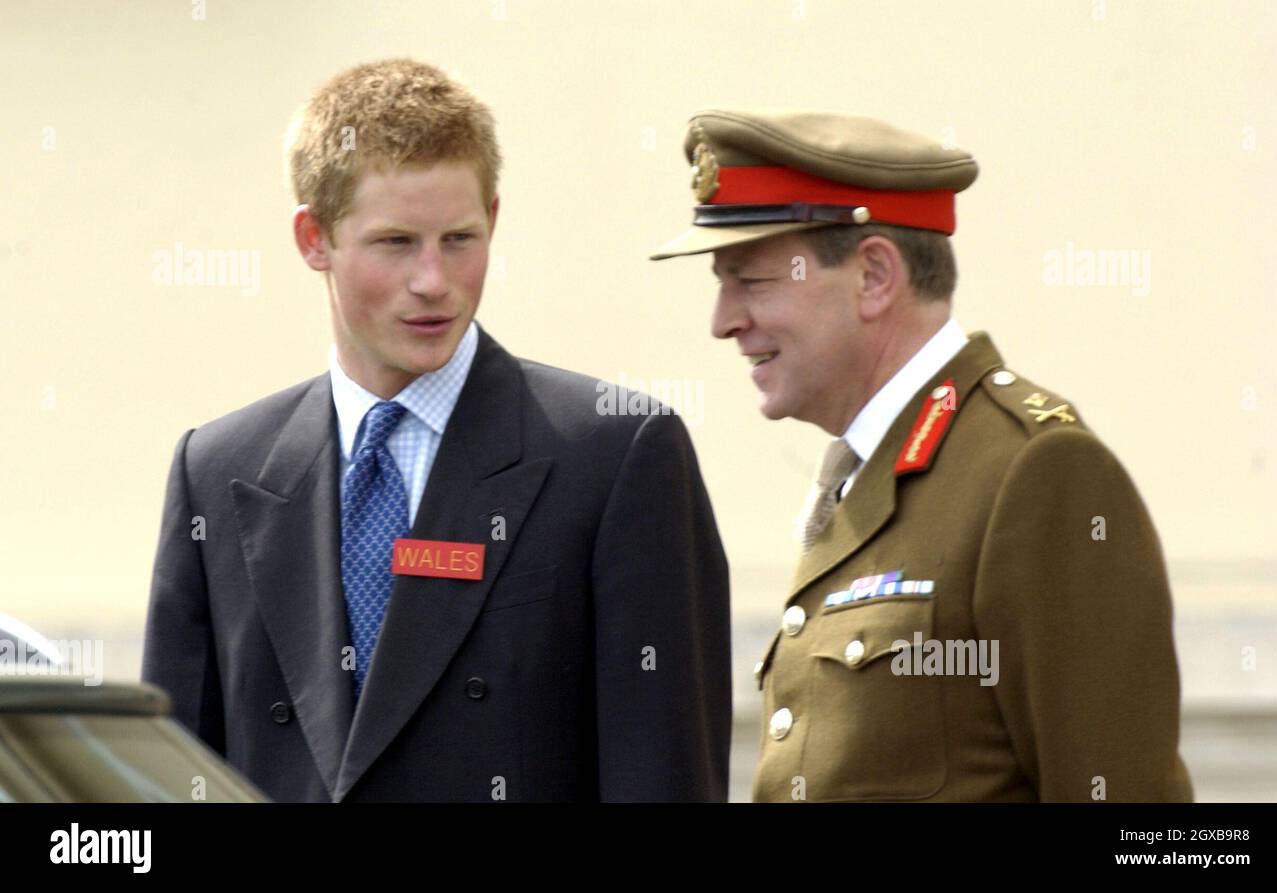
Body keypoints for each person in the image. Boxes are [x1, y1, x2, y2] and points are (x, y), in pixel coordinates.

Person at [142, 59, 731, 802]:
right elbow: (165, 783)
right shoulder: (216, 469)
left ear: (494, 216)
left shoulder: (615, 455)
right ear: (312, 238)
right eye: (395, 242)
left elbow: (662, 776)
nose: (433, 280)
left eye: (460, 238)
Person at [651, 108, 1192, 802]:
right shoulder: (872, 472)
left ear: (875, 275)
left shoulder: (1035, 470)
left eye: (752, 281)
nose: (723, 320)